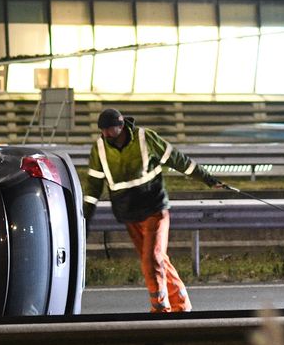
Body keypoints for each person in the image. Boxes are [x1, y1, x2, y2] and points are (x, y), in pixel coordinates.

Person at [84, 107, 222, 313]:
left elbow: (178, 160)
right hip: (128, 214)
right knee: (158, 259)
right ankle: (181, 304)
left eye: (110, 131)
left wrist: (209, 180)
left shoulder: (145, 138)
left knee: (152, 259)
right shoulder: (100, 148)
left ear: (121, 127)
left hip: (154, 209)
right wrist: (86, 217)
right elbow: (93, 186)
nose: (106, 136)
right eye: (103, 132)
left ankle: (160, 310)